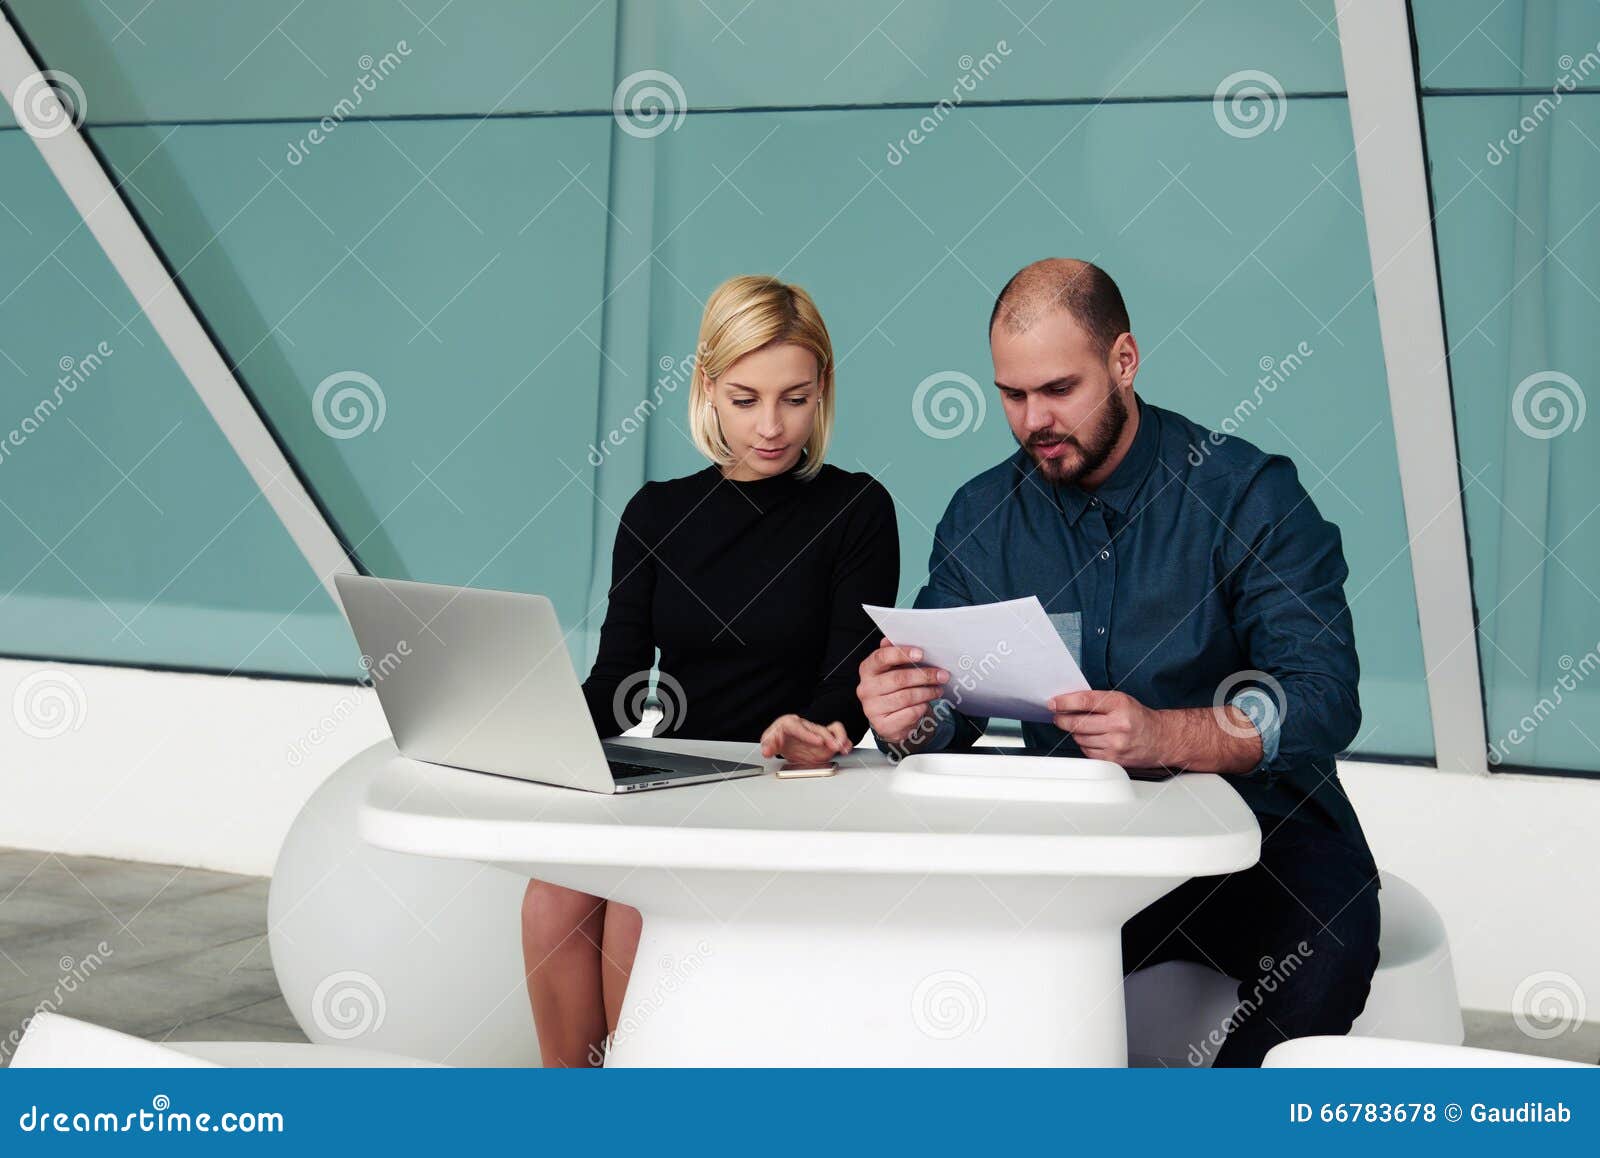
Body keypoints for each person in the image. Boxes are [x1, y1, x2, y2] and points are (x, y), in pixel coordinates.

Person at [856, 257, 1380, 1068]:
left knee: (1325, 956)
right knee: (944, 972)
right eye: (1012, 395)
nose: (1034, 420)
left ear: (1124, 362)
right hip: (1080, 853)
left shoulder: (1248, 495)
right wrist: (906, 715)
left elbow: (1321, 697)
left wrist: (1168, 733)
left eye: (1059, 389)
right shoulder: (982, 516)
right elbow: (945, 715)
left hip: (1261, 843)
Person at [523, 274, 899, 1066]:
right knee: (550, 897)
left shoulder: (857, 510)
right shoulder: (657, 514)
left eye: (795, 398)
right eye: (745, 398)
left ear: (823, 389)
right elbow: (617, 681)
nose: (771, 425)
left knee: (634, 912)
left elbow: (848, 680)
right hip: (675, 778)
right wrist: (531, 732)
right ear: (706, 389)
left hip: (787, 783)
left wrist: (822, 729)